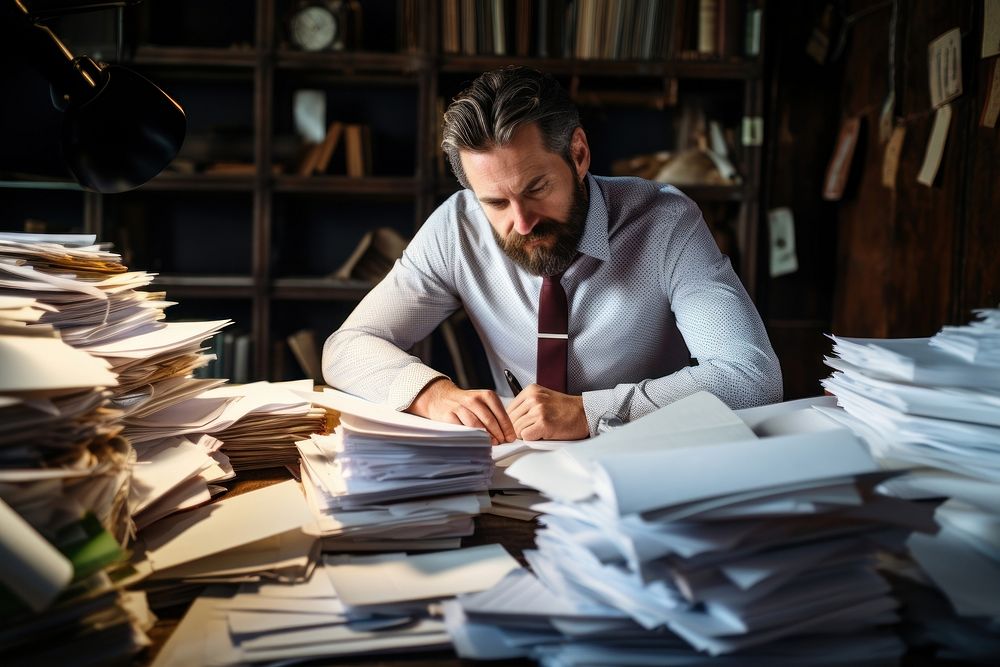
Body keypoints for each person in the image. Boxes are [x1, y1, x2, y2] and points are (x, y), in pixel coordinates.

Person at [323, 66, 782, 444]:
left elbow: (751, 378)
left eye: (536, 188)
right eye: (497, 203)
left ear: (578, 154)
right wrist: (430, 393)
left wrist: (589, 412)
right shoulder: (457, 226)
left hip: (650, 456)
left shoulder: (666, 222)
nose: (521, 223)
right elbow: (346, 347)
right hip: (519, 469)